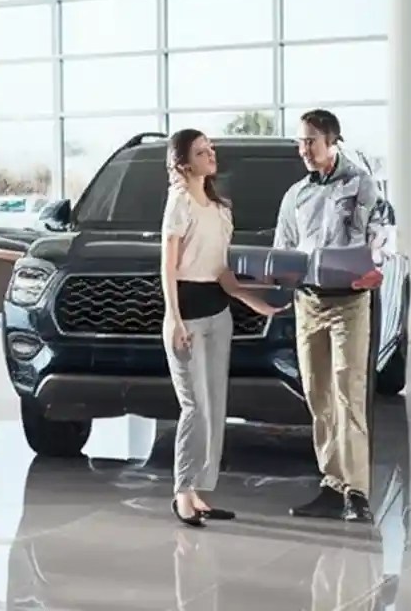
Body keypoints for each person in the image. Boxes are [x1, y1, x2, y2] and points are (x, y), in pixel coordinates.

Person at [161, 129, 284, 527]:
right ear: (184, 163)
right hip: (188, 317)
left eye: (211, 148)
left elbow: (223, 275)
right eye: (201, 151)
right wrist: (175, 319)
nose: (211, 155)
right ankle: (182, 491)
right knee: (193, 406)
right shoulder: (179, 204)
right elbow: (168, 267)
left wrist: (258, 304)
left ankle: (199, 492)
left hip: (219, 315)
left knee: (214, 407)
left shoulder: (220, 209)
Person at [274, 109, 385, 523]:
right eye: (300, 142)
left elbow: (381, 233)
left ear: (332, 140)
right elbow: (284, 245)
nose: (304, 149)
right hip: (309, 304)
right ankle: (331, 483)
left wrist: (378, 266)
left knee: (347, 392)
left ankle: (356, 492)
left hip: (348, 304)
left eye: (311, 141)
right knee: (318, 395)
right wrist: (277, 277)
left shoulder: (360, 183)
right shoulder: (296, 195)